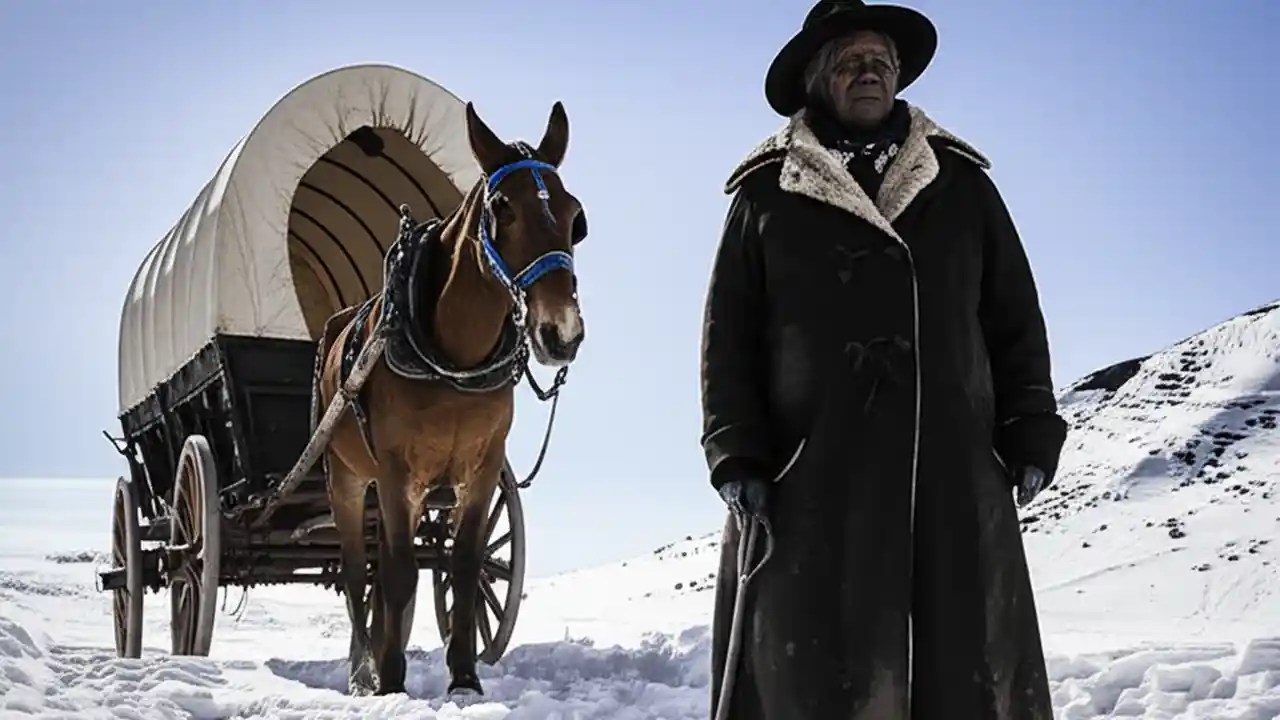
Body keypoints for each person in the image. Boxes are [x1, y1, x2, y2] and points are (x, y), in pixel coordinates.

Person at [698, 1, 1069, 718]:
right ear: (816, 80)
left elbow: (1014, 318)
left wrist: (1028, 424)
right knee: (810, 668)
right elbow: (728, 337)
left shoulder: (963, 188)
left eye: (881, 62)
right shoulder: (766, 195)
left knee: (964, 663)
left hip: (952, 465)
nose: (869, 71)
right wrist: (737, 454)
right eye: (850, 61)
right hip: (807, 470)